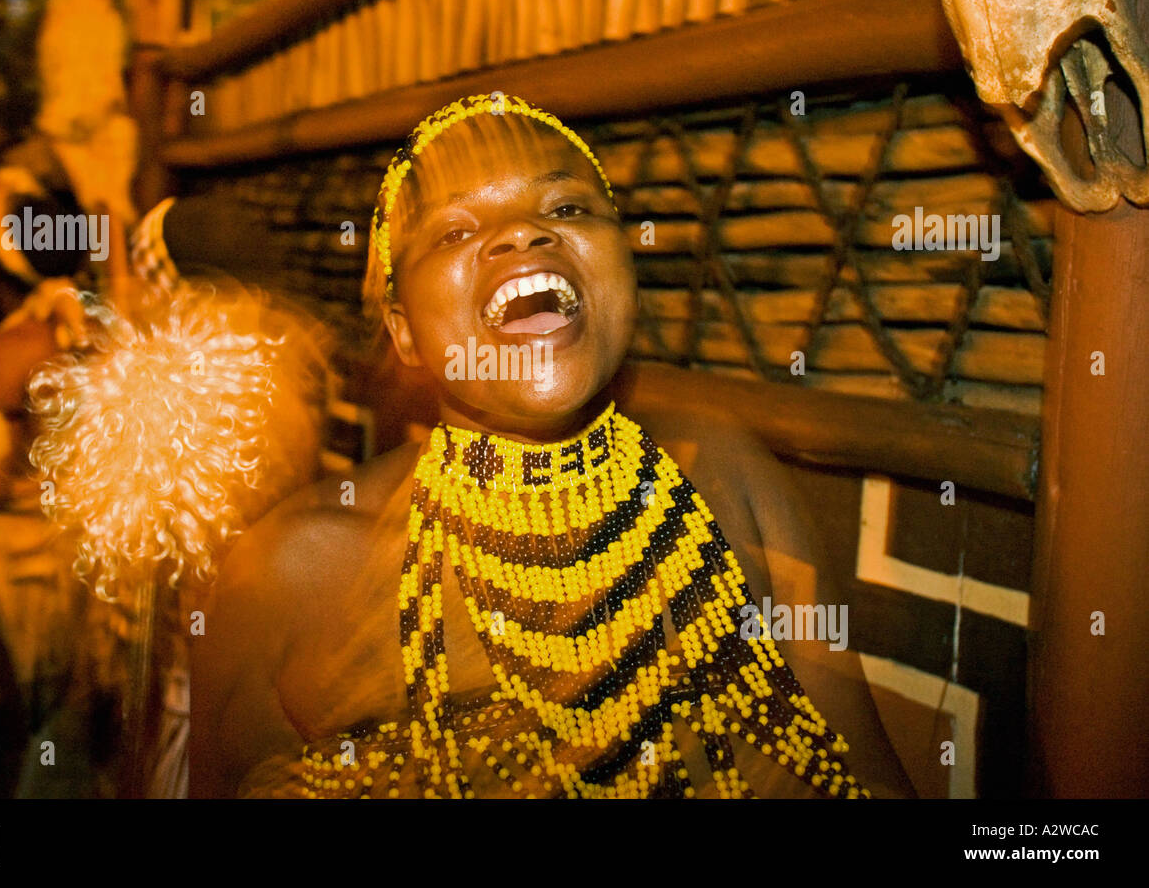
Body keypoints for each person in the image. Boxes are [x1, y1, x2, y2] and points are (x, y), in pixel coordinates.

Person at [191, 93, 916, 798]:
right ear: (404, 329)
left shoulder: (722, 477)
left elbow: (864, 781)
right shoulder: (287, 573)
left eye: (566, 208)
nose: (521, 234)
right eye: (453, 231)